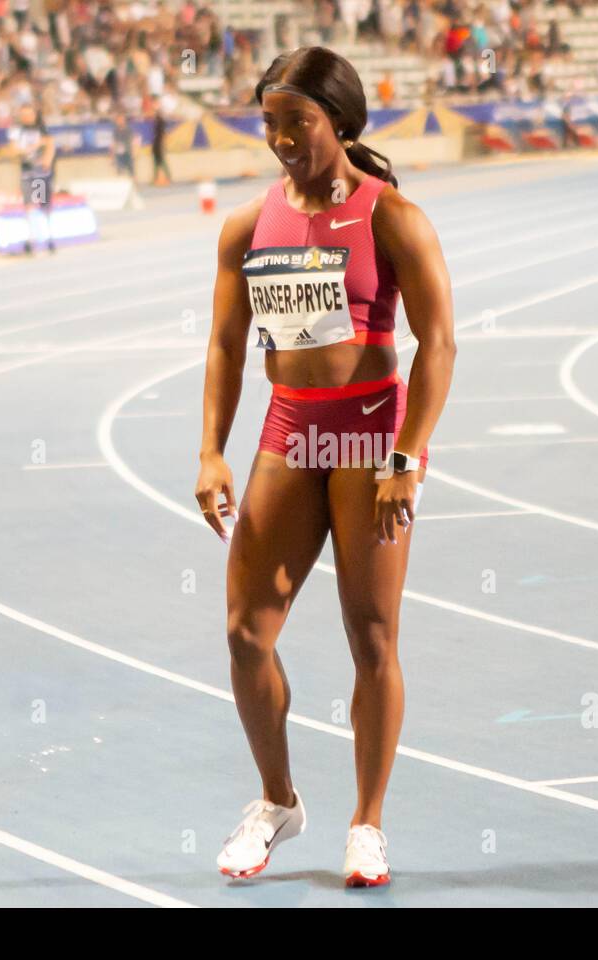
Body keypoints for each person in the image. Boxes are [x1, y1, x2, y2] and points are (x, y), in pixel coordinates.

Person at [194, 46, 455, 888]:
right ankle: (277, 801)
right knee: (243, 635)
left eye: (295, 122)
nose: (278, 138)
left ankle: (367, 825)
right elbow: (227, 345)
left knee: (371, 636)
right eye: (268, 122)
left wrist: (408, 458)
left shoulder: (393, 218)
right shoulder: (246, 227)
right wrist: (210, 450)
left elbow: (439, 343)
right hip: (288, 431)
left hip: (370, 434)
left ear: (338, 122)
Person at [8, 103, 57, 252]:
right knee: (28, 205)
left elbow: (50, 145)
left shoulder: (41, 129)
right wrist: (31, 147)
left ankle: (48, 237)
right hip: (26, 172)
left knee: (41, 203)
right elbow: (13, 150)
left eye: (29, 114)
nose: (27, 118)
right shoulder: (17, 131)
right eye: (24, 115)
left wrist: (47, 159)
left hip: (39, 173)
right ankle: (31, 238)